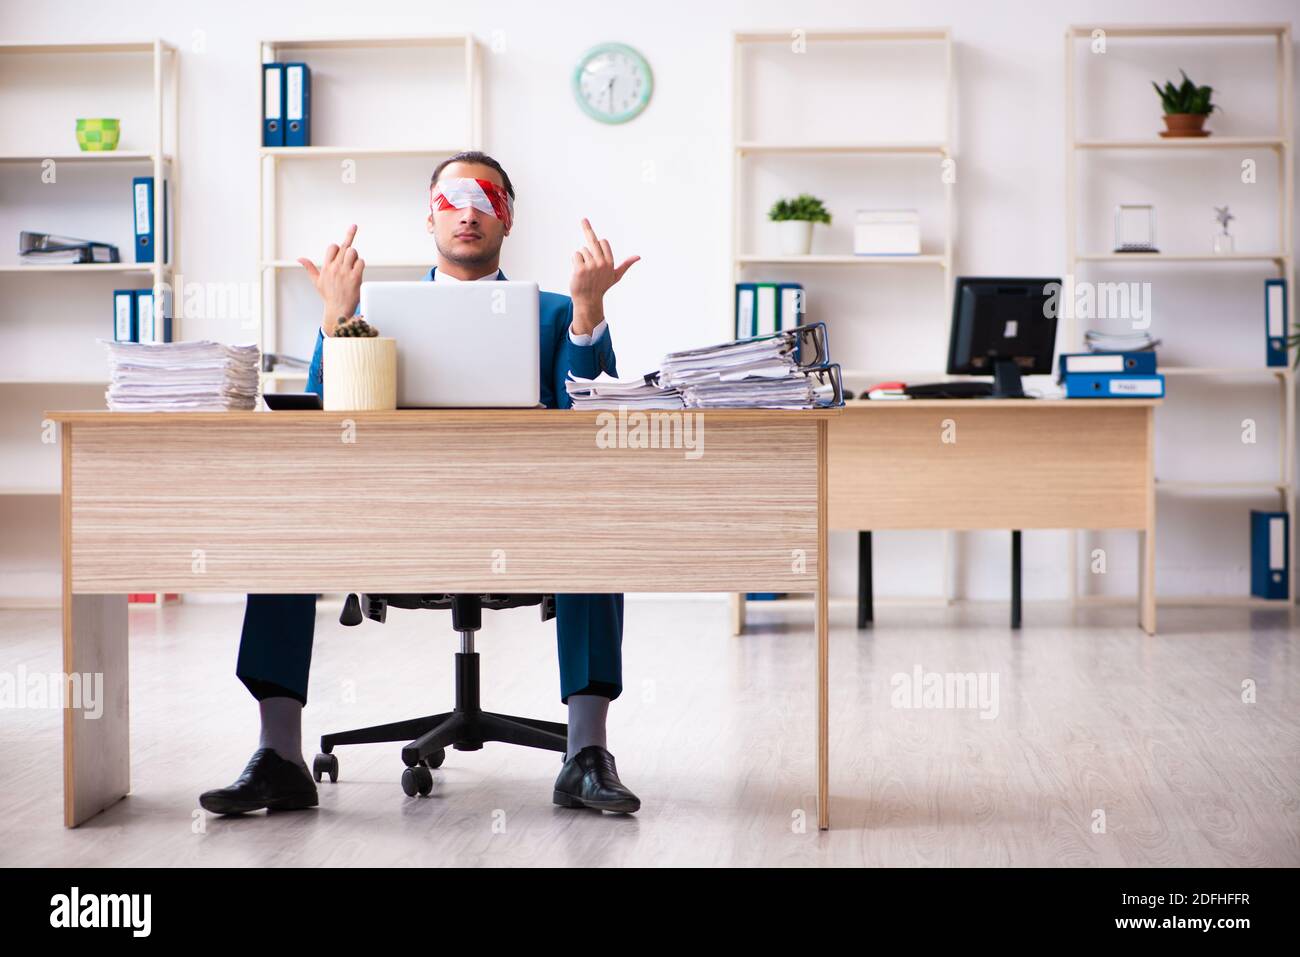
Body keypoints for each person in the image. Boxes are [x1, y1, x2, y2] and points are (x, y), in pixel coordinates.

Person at [199, 151, 642, 816]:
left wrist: (586, 310)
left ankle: (584, 754)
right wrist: (335, 318)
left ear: (509, 220)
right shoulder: (374, 311)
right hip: (395, 524)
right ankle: (280, 756)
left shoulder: (552, 313)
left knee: (594, 521)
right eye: (452, 199)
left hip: (523, 528)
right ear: (428, 217)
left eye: (487, 199)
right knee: (286, 527)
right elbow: (325, 412)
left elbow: (592, 413)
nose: (469, 212)